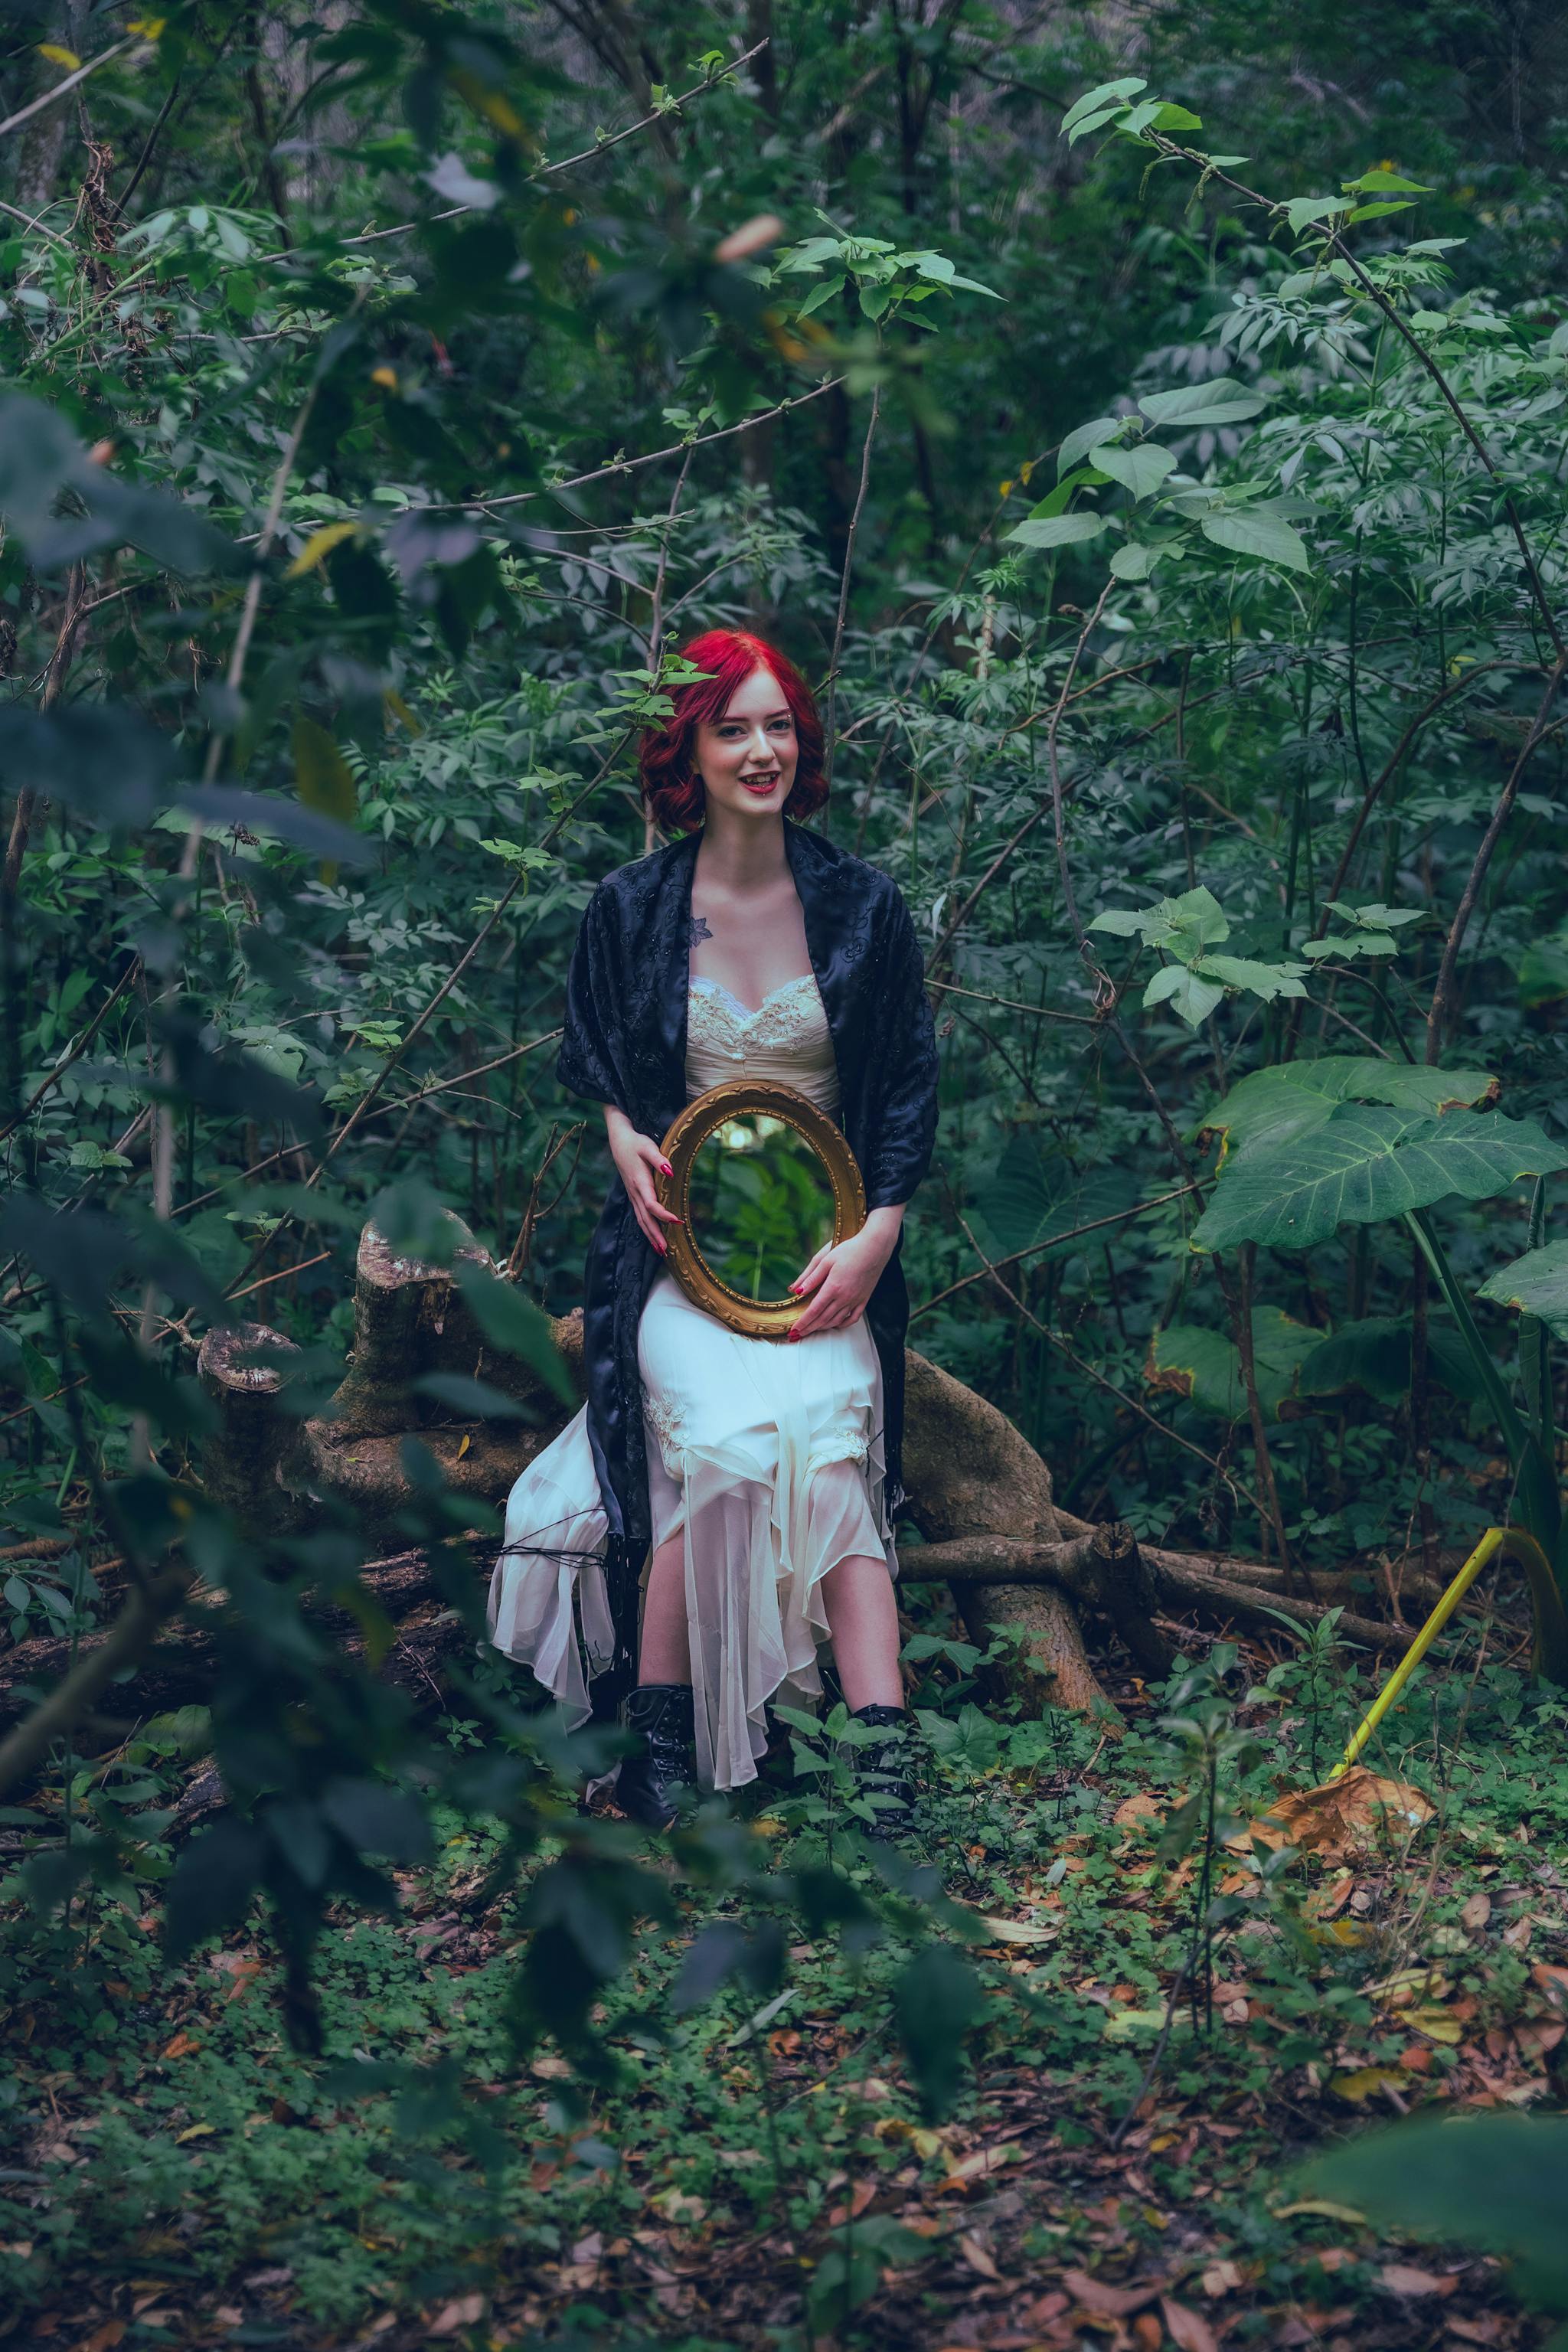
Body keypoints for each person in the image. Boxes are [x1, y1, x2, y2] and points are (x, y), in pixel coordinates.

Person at [486, 626, 939, 1829]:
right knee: (727, 1446)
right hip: (678, 1268)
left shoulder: (864, 907)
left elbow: (903, 1090)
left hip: (825, 1262)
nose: (761, 749)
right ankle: (665, 1755)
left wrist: (877, 1236)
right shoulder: (633, 908)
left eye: (778, 723)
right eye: (732, 726)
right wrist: (622, 1133)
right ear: (688, 745)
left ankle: (886, 1771)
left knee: (832, 1444)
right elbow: (604, 1069)